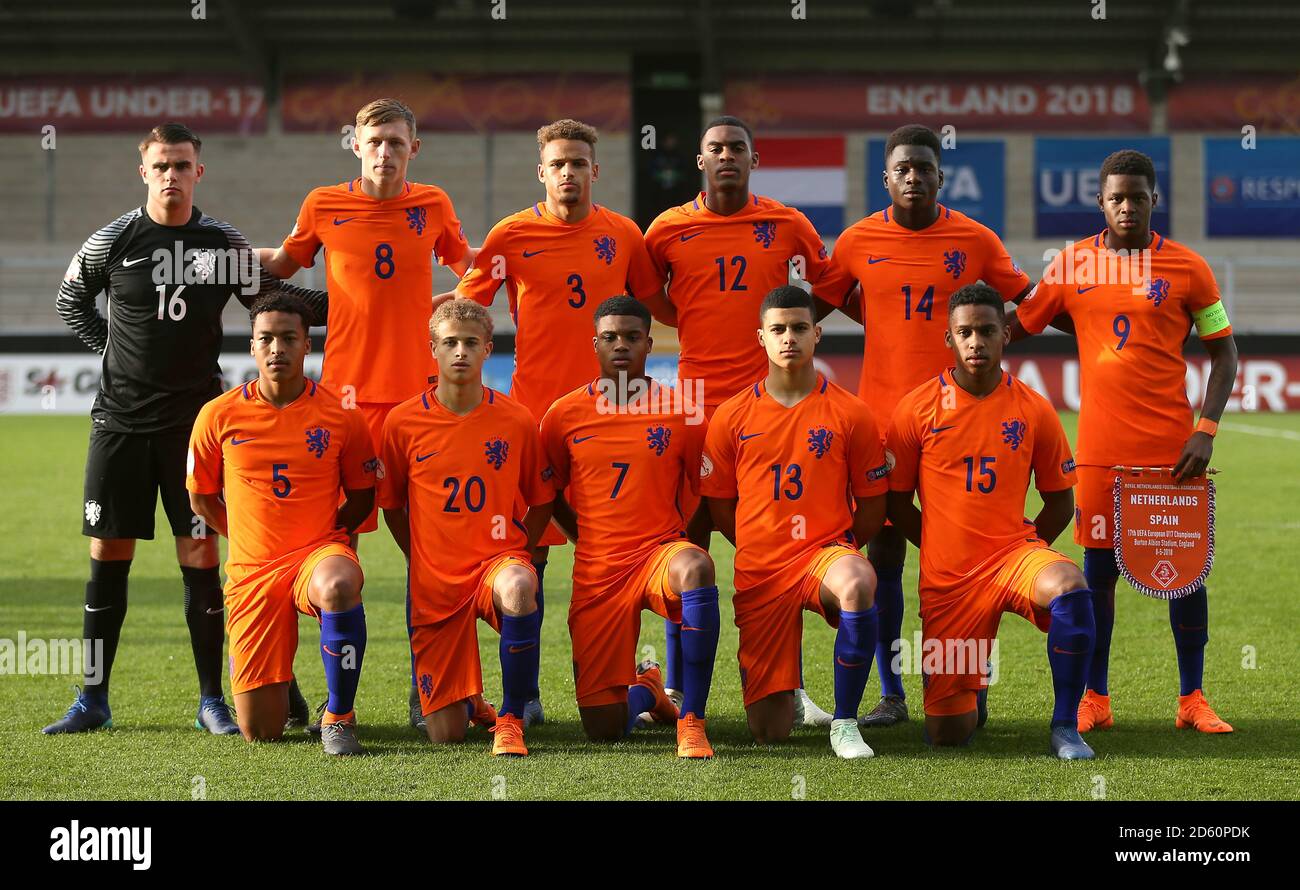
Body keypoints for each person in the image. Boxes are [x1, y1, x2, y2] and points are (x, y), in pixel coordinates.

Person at [44, 122, 328, 736]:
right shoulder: (114, 240)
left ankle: (210, 701)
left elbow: (275, 301)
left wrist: (368, 299)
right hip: (118, 425)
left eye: (182, 164)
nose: (171, 174)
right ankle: (92, 699)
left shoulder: (221, 243)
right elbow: (71, 300)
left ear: (199, 172)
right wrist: (112, 354)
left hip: (195, 429)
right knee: (107, 557)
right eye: (161, 165)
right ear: (143, 171)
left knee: (199, 555)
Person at [256, 97, 474, 730]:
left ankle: (427, 688)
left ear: (414, 148)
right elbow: (283, 268)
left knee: (430, 555)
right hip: (343, 408)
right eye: (374, 140)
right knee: (318, 550)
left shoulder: (432, 205)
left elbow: (475, 267)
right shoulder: (323, 204)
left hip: (418, 406)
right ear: (355, 143)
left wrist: (448, 300)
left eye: (397, 142)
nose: (385, 151)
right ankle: (308, 693)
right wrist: (214, 260)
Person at [1011, 149, 1239, 735]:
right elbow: (1023, 323)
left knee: (1184, 572)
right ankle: (1095, 697)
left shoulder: (1188, 267)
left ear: (1154, 199)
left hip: (1172, 450)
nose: (1128, 206)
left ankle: (1193, 698)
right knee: (1099, 573)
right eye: (1117, 197)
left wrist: (1205, 431)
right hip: (1100, 451)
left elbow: (1224, 352)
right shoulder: (1070, 266)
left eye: (1139, 196)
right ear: (1101, 202)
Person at [817, 124, 1034, 728]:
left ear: (941, 177)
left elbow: (1029, 305)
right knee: (885, 555)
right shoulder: (858, 240)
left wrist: (1099, 308)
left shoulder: (975, 239)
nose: (914, 178)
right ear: (886, 179)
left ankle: (965, 679)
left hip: (960, 428)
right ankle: (892, 693)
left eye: (924, 169)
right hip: (884, 425)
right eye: (902, 169)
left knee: (966, 557)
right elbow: (815, 308)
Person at [454, 118, 667, 727]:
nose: (569, 172)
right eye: (558, 164)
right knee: (530, 554)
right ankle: (525, 694)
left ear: (594, 171)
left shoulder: (624, 235)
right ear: (541, 172)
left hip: (610, 422)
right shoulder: (511, 235)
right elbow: (468, 307)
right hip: (536, 420)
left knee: (622, 552)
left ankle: (643, 682)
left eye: (579, 162)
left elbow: (657, 307)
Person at [644, 115, 843, 723]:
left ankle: (790, 687)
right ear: (699, 161)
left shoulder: (787, 224)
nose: (726, 156)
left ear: (753, 158)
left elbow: (823, 290)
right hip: (698, 408)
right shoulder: (667, 229)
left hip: (773, 408)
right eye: (715, 149)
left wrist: (792, 343)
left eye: (736, 148)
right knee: (690, 543)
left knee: (785, 547)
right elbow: (657, 301)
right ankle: (678, 688)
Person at [886, 283, 1097, 758]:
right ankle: (970, 687)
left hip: (1013, 559)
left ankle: (1066, 727)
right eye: (965, 332)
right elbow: (896, 504)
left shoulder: (1034, 408)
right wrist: (942, 547)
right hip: (949, 581)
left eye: (986, 331)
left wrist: (1024, 548)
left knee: (1069, 585)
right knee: (948, 733)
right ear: (949, 339)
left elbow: (1061, 501)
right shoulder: (914, 409)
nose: (975, 342)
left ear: (1005, 335)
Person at [701, 285, 889, 758]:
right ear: (760, 337)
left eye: (800, 328)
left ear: (818, 334)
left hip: (823, 556)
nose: (790, 338)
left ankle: (845, 722)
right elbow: (720, 505)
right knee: (769, 731)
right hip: (762, 568)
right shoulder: (730, 416)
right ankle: (789, 694)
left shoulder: (852, 413)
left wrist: (841, 544)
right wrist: (756, 541)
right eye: (779, 329)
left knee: (858, 580)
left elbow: (872, 507)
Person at [186, 294, 376, 755]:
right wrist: (245, 535)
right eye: (266, 339)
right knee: (262, 731)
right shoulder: (218, 414)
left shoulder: (341, 416)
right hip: (252, 572)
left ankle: (339, 716)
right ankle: (282, 680)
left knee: (339, 582)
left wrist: (330, 535)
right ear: (252, 347)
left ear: (306, 345)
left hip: (315, 557)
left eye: (288, 338)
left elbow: (364, 494)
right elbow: (201, 496)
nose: (277, 348)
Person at [540, 295, 719, 758]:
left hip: (659, 554)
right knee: (603, 728)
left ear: (649, 342)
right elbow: (549, 490)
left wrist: (684, 540)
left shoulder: (683, 411)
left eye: (632, 337)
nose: (622, 345)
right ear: (595, 344)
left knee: (697, 567)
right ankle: (650, 691)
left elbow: (706, 489)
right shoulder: (562, 415)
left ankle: (693, 720)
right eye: (611, 337)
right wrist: (582, 532)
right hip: (599, 569)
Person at [377, 300, 555, 756]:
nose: (461, 352)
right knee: (446, 734)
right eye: (450, 343)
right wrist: (419, 557)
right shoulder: (401, 422)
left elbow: (541, 498)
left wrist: (522, 549)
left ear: (488, 350)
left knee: (519, 583)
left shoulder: (516, 419)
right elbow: (392, 505)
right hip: (436, 581)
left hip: (496, 563)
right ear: (432, 350)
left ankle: (511, 718)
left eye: (471, 343)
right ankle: (470, 700)